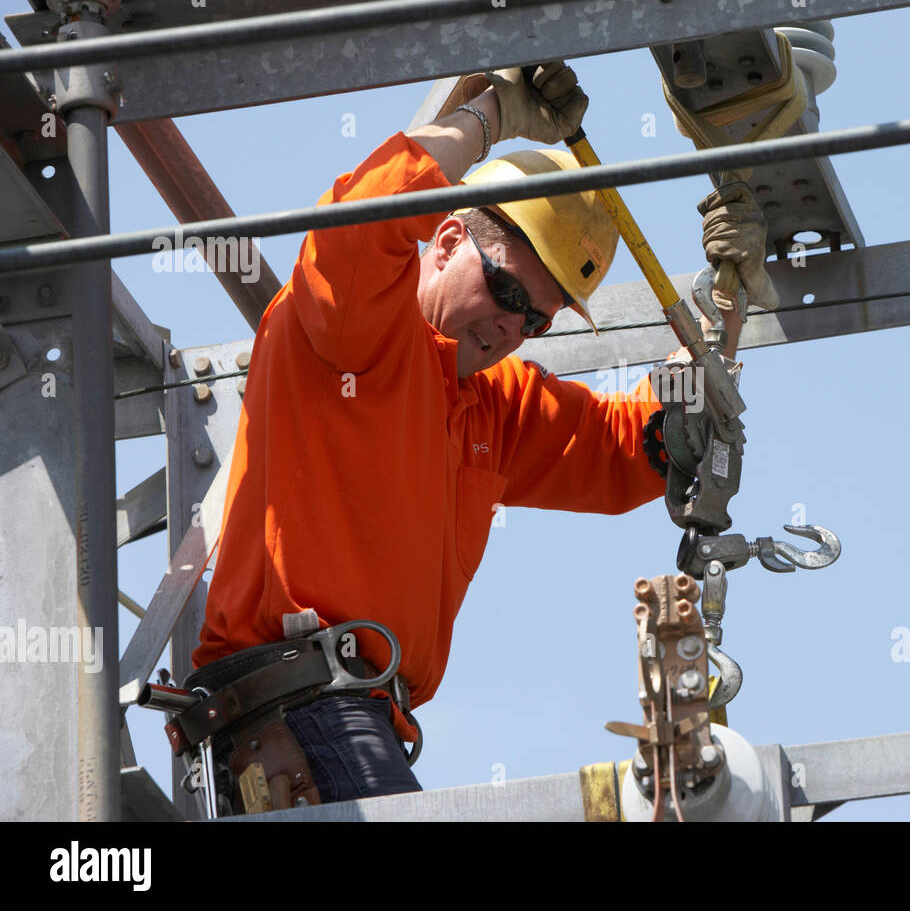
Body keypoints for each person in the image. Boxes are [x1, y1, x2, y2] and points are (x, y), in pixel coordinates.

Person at [186, 62, 775, 810]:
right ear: (446, 239)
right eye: (505, 293)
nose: (509, 328)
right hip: (300, 708)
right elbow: (356, 225)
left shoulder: (493, 407)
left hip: (356, 717)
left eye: (535, 321)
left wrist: (722, 307)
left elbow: (642, 445)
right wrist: (491, 116)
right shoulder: (354, 329)